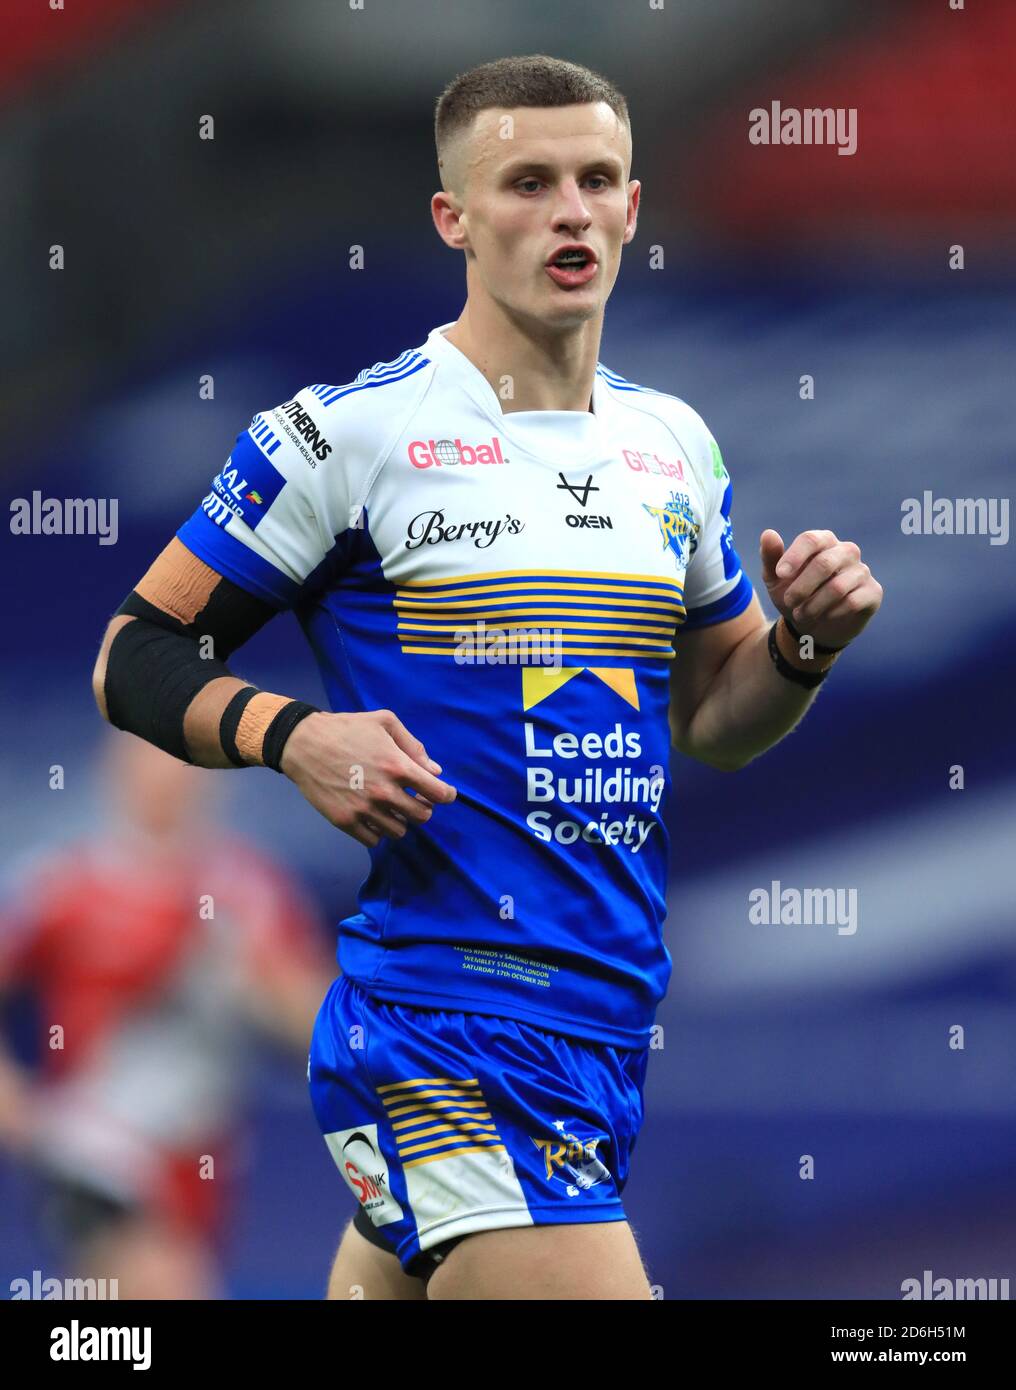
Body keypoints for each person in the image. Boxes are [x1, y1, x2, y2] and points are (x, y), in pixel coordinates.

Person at [89, 54, 883, 1300]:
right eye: (526, 182)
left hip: (599, 1029)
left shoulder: (670, 443)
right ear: (452, 218)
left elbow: (717, 724)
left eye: (596, 180)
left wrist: (800, 648)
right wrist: (291, 734)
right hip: (454, 1023)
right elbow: (136, 652)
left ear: (631, 207)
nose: (569, 210)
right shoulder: (344, 434)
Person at [0, 733, 332, 1299]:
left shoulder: (247, 889)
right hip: (98, 1155)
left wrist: (254, 981)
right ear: (114, 774)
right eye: (146, 764)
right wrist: (20, 1113)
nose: (165, 783)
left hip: (199, 1162)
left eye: (179, 766)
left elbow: (324, 1028)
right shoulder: (64, 886)